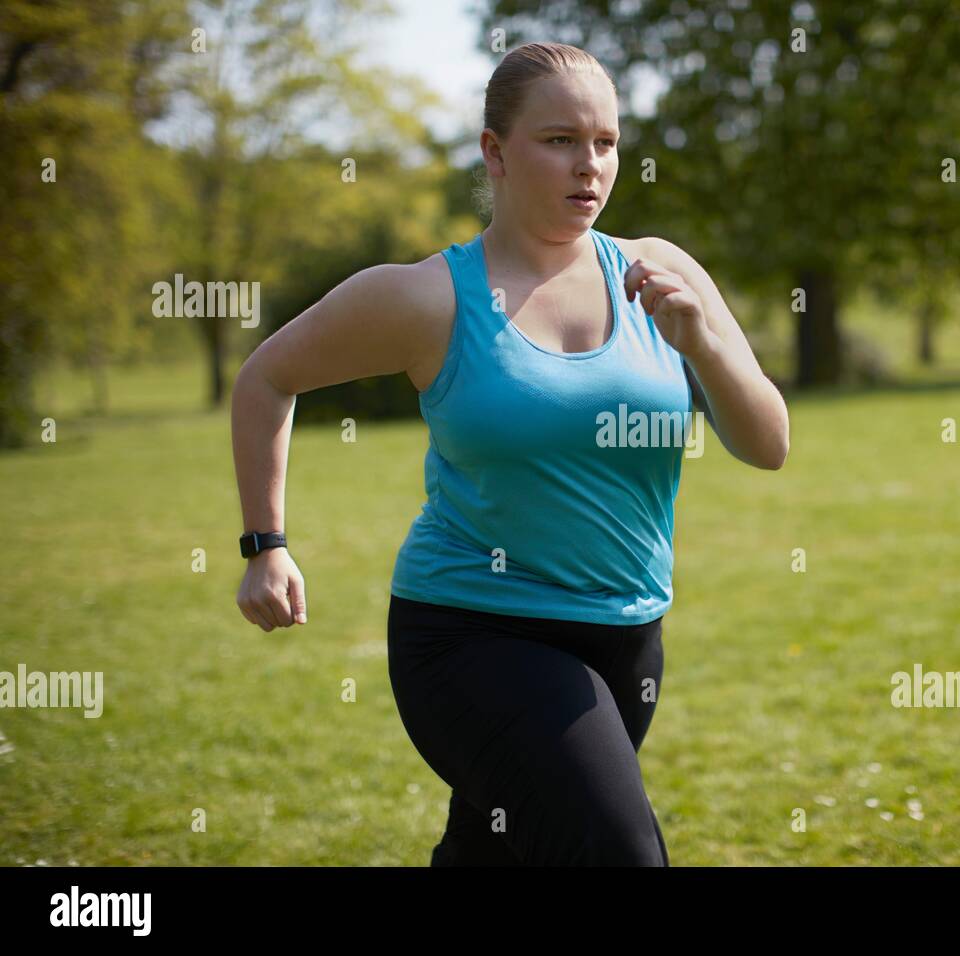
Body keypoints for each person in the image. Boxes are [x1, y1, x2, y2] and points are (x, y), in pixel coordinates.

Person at [231, 41, 789, 866]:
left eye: (605, 142)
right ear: (495, 152)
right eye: (560, 139)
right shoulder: (428, 297)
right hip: (471, 633)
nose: (589, 166)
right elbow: (267, 377)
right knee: (617, 850)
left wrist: (701, 342)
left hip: (625, 636)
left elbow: (767, 443)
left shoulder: (658, 271)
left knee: (500, 850)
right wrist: (265, 547)